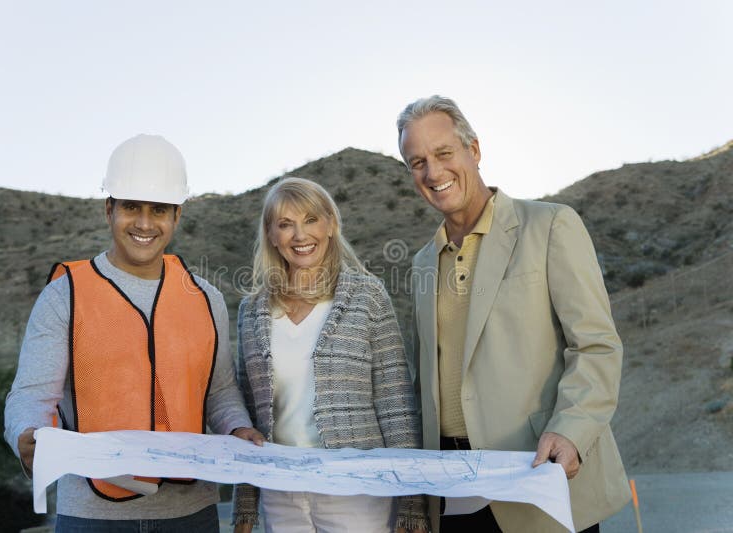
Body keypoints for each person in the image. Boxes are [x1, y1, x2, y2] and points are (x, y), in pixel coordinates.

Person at [4, 134, 263, 532]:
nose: (144, 223)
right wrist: (26, 433)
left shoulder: (206, 299)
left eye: (158, 209)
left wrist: (237, 427)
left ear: (177, 216)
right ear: (109, 210)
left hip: (191, 515)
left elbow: (220, 392)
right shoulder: (64, 295)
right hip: (92, 517)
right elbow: (31, 395)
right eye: (131, 207)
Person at [396, 96, 631, 533]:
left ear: (474, 150)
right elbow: (423, 382)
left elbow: (596, 346)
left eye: (444, 153)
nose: (433, 172)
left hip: (539, 478)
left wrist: (572, 430)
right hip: (453, 493)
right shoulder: (422, 263)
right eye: (417, 162)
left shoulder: (551, 225)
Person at [231, 177, 429, 533]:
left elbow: (396, 404)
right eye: (285, 224)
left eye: (311, 219)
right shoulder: (252, 310)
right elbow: (248, 416)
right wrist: (245, 507)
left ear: (331, 224)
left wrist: (412, 502)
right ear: (271, 235)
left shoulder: (367, 296)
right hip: (281, 489)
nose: (300, 235)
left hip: (357, 490)